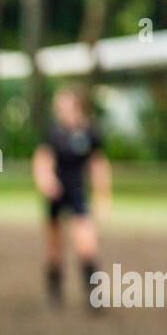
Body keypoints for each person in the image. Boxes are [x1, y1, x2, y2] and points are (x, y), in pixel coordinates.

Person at [31, 88, 112, 312]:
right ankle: (54, 296)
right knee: (54, 247)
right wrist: (46, 180)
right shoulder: (53, 131)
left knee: (86, 244)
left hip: (78, 193)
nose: (60, 110)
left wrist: (102, 197)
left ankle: (94, 298)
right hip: (56, 195)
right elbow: (41, 160)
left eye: (64, 105)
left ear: (77, 106)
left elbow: (99, 165)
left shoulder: (89, 133)